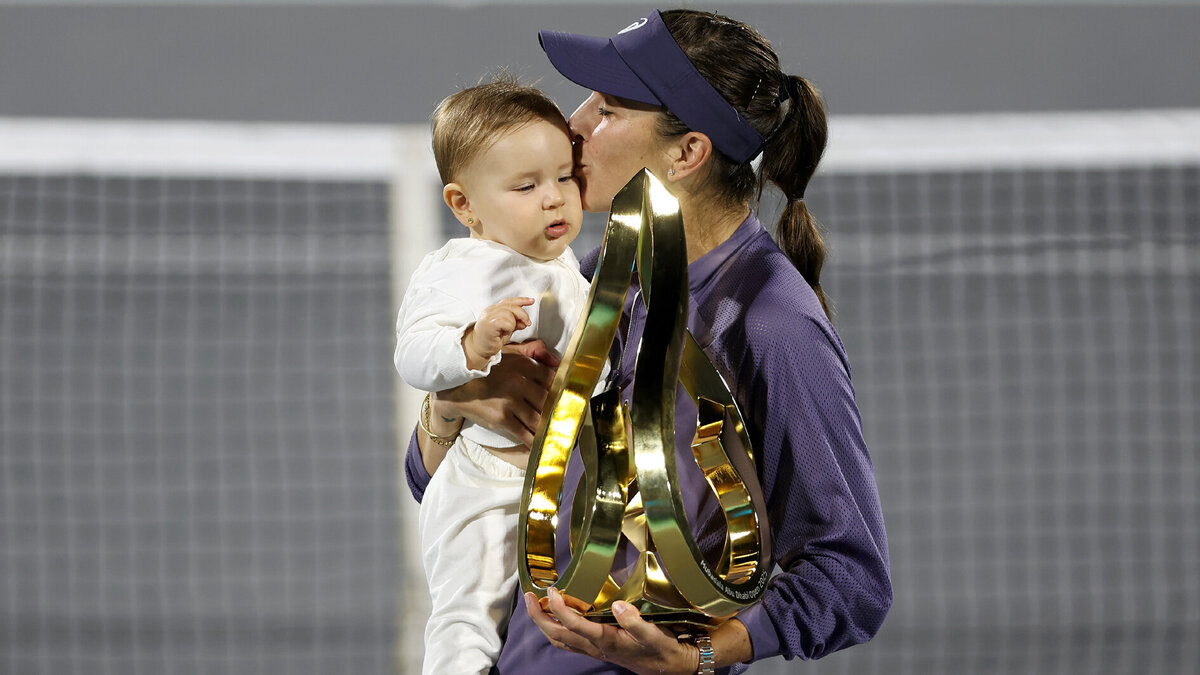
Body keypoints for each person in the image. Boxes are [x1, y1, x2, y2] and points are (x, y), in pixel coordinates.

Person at [405, 9, 892, 674]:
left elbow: (850, 579)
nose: (571, 125)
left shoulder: (773, 321)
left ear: (687, 153)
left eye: (606, 109)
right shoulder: (597, 275)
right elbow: (431, 481)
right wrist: (452, 410)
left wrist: (696, 655)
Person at [393, 76, 588, 675]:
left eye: (564, 176)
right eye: (526, 186)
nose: (554, 198)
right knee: (469, 618)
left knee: (527, 626)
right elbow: (414, 353)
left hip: (553, 488)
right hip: (483, 483)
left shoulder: (571, 267)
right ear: (464, 205)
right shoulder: (460, 269)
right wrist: (470, 347)